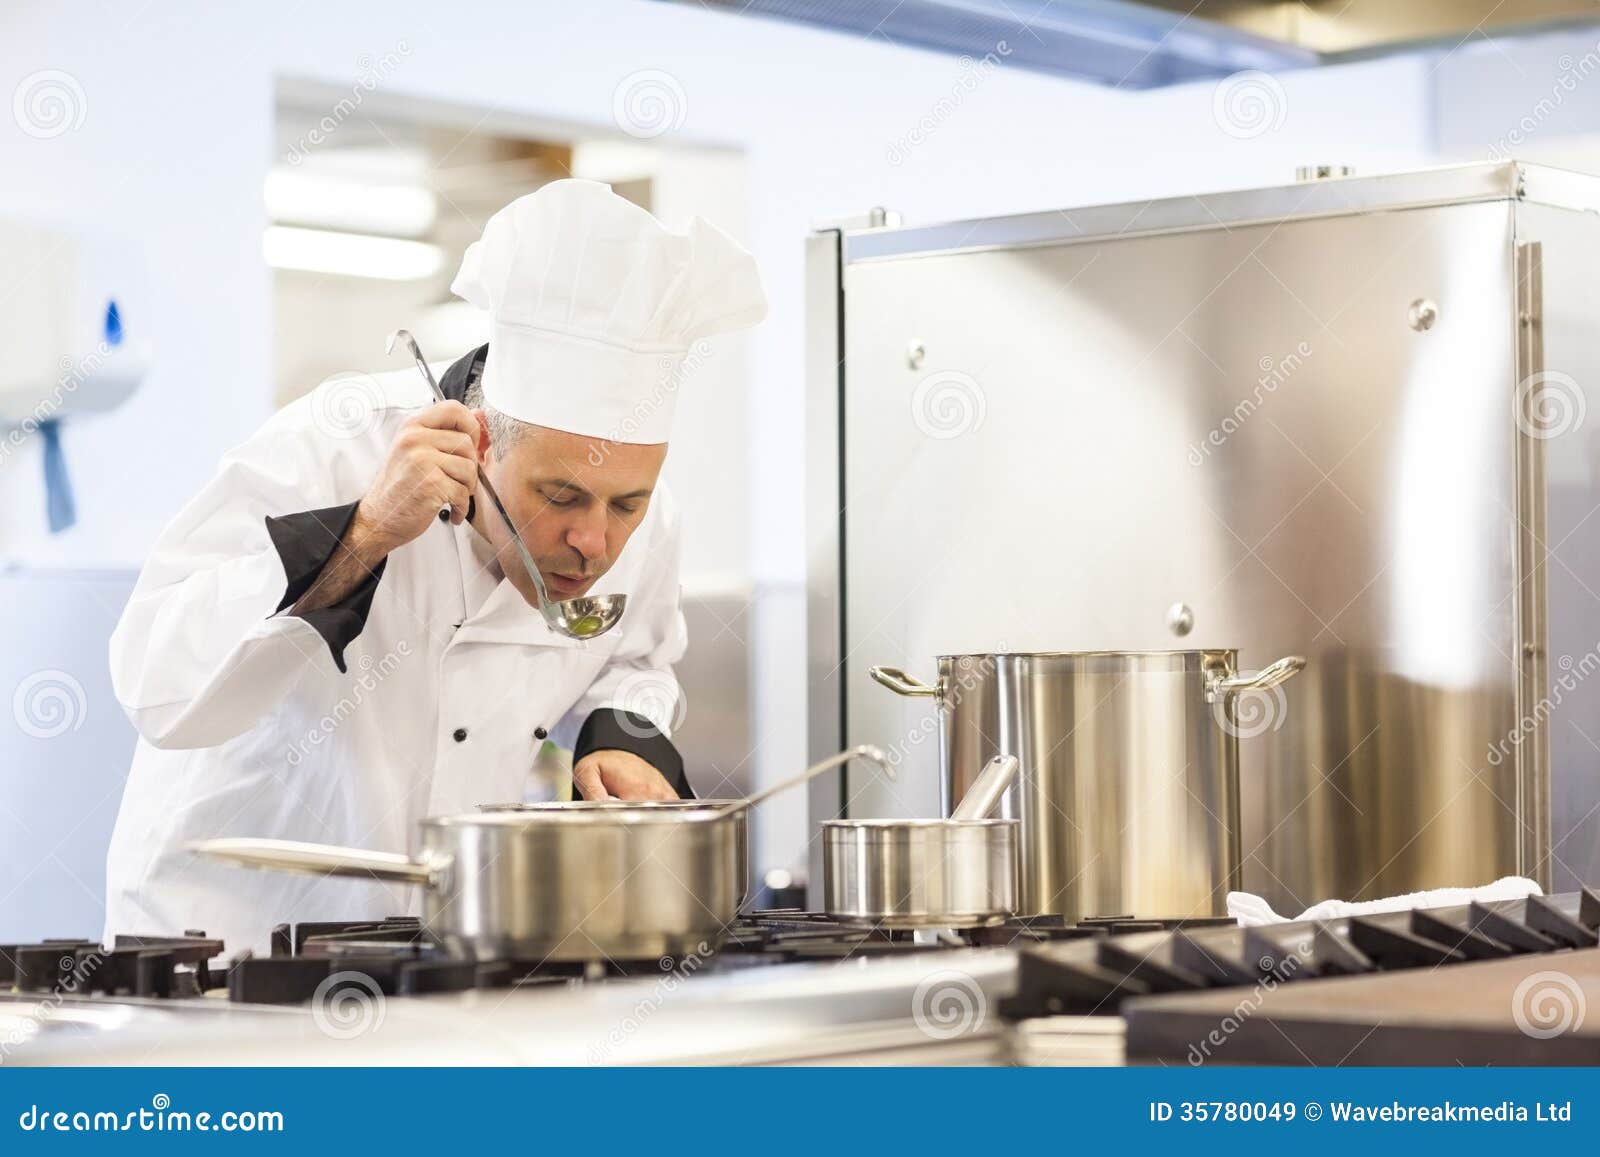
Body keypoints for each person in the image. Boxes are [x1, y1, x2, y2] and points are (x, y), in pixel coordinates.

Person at [102, 179, 767, 953]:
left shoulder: (647, 524)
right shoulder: (333, 444)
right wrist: (360, 534)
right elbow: (155, 681)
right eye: (561, 494)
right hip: (223, 941)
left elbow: (636, 663)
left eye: (626, 503)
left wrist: (622, 734)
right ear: (480, 443)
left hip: (436, 950)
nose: (596, 540)